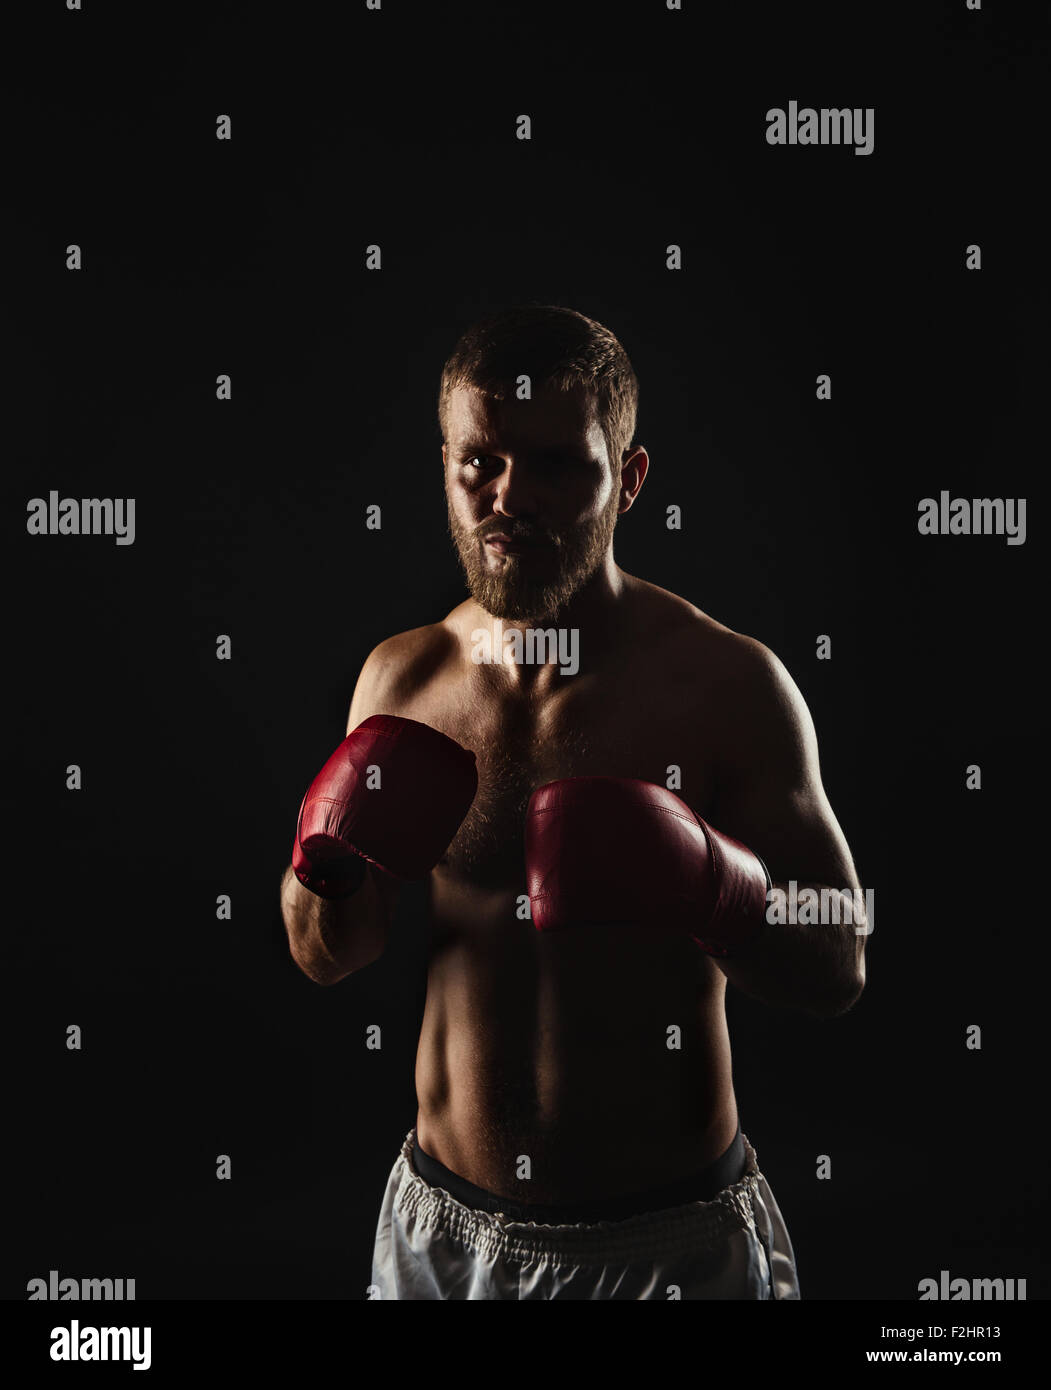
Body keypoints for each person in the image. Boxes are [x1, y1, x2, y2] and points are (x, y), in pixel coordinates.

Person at [279, 304, 867, 1299]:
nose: (511, 498)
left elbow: (840, 956)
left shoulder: (726, 687)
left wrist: (716, 887)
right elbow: (325, 954)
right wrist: (326, 866)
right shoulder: (401, 680)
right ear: (447, 468)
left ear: (627, 480)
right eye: (483, 464)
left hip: (665, 1247)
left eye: (556, 465)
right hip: (442, 1239)